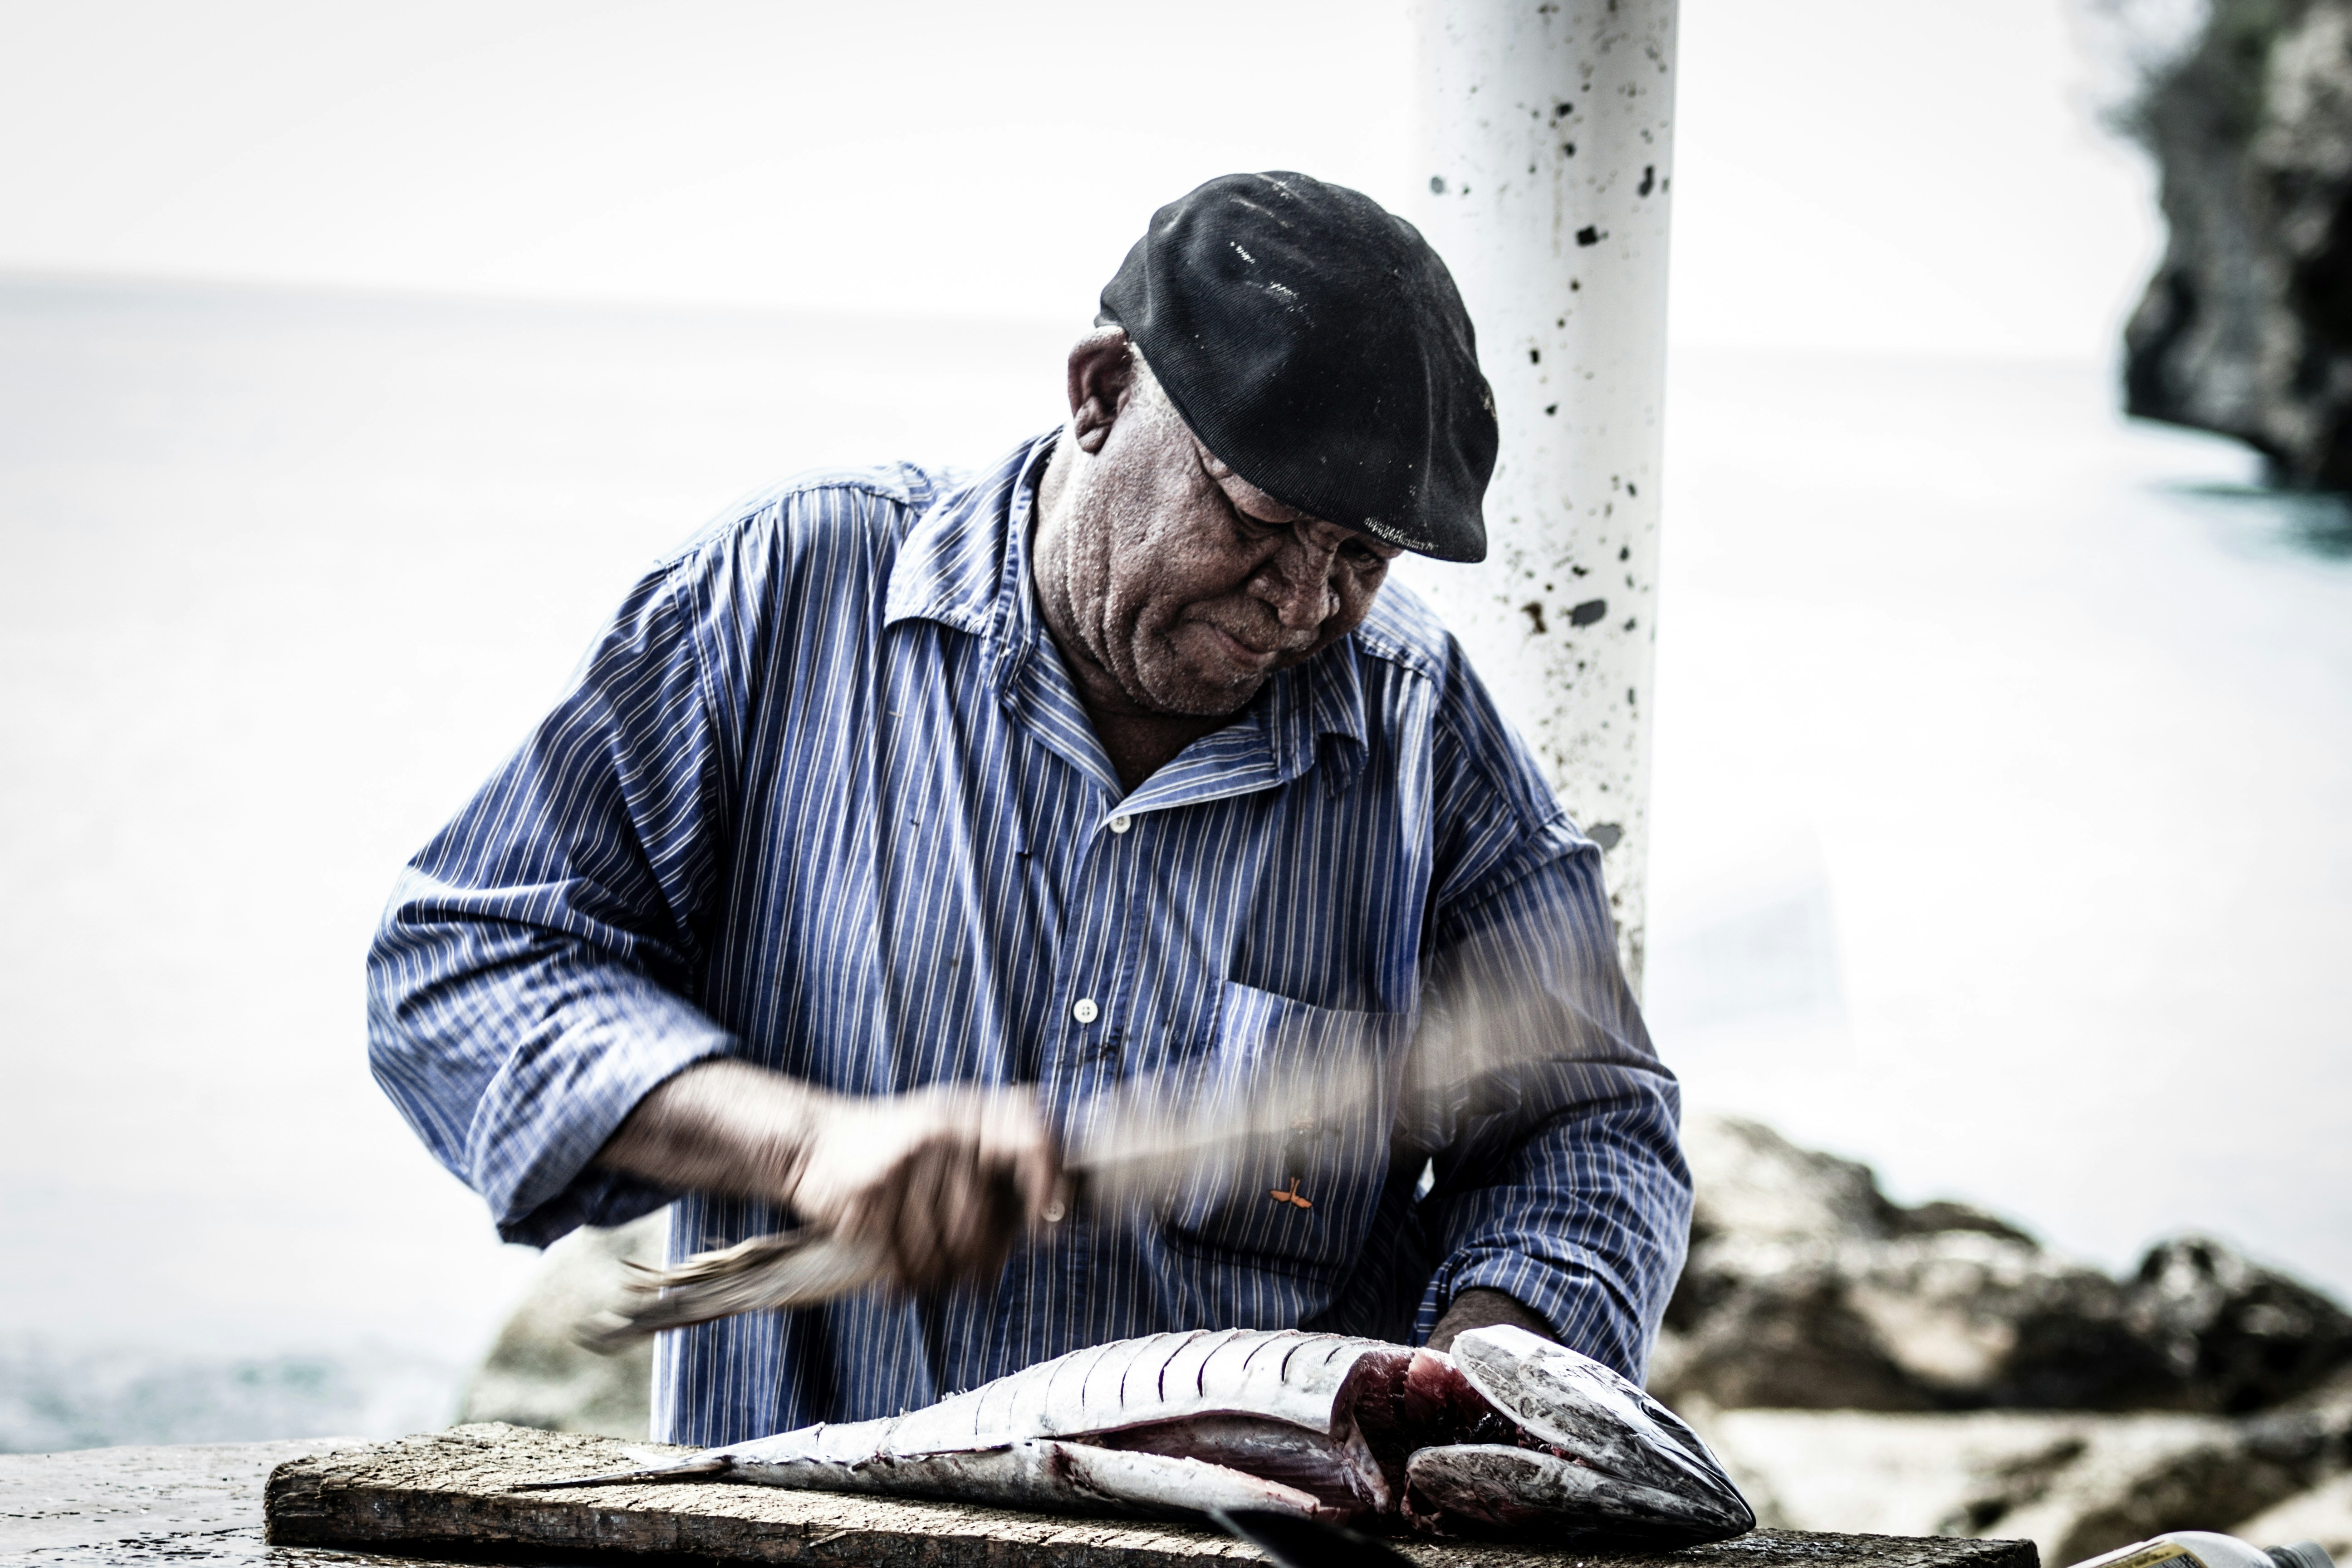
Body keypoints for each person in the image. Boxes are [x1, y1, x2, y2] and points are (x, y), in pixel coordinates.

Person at [368, 171, 1691, 1447]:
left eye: (1357, 558)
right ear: (1103, 392)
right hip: (815, 1550)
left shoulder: (1418, 721)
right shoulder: (786, 596)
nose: (1302, 605)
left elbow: (1592, 1128)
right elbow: (465, 965)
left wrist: (1462, 1389)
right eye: (1257, 521)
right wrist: (808, 1144)